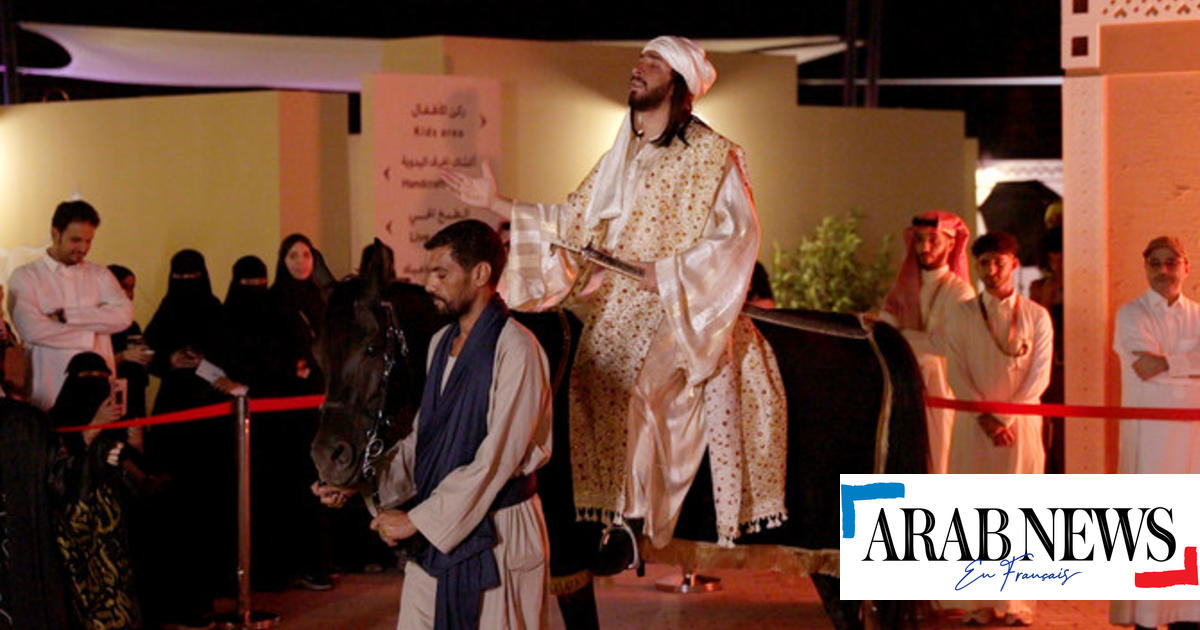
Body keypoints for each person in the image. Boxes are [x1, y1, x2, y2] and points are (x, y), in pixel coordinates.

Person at [441, 35, 787, 547]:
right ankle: (602, 512)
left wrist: (666, 274)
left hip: (683, 307)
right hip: (618, 305)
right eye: (639, 59)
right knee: (584, 377)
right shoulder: (621, 156)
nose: (638, 68)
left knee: (641, 384)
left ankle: (638, 517)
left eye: (653, 62)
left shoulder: (716, 155)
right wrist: (497, 202)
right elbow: (573, 221)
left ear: (680, 82)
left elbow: (737, 237)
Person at [318, 219, 553, 629]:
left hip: (500, 530)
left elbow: (495, 459)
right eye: (428, 272)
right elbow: (423, 442)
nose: (429, 284)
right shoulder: (439, 344)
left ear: (480, 274)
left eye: (441, 273)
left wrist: (417, 520)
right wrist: (360, 484)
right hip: (442, 529)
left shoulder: (517, 349)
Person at [943, 232, 1053, 626]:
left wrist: (1006, 419)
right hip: (974, 426)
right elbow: (954, 370)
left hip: (1020, 429)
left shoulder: (1038, 316)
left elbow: (1039, 378)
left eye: (999, 263)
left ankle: (1015, 605)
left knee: (1020, 512)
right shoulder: (961, 314)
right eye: (984, 263)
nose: (991, 271)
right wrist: (985, 418)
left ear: (1013, 265)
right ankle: (976, 602)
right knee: (974, 510)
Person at [141, 249, 240, 629]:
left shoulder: (216, 311)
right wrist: (170, 361)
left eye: (191, 277)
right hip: (173, 421)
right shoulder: (166, 310)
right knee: (173, 505)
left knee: (208, 504)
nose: (185, 286)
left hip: (210, 422)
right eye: (179, 278)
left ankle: (208, 593)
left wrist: (200, 365)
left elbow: (231, 359)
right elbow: (149, 355)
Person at [1111, 236, 1200, 630]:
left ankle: (1187, 614)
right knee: (1151, 528)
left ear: (1186, 266)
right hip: (1150, 437)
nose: (1163, 271)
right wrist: (1189, 367)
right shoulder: (1130, 314)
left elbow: (1155, 367)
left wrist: (1166, 364)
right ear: (1145, 266)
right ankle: (1147, 616)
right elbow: (1143, 368)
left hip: (1193, 441)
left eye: (1171, 263)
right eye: (1155, 263)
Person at [7, 200, 133, 410]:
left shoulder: (100, 275)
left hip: (99, 395)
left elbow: (123, 316)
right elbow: (31, 329)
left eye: (88, 241)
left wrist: (69, 317)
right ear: (55, 234)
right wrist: (91, 335)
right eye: (76, 240)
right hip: (47, 393)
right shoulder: (26, 277)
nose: (83, 248)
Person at [47, 351, 141, 630]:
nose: (94, 384)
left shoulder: (118, 416)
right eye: (86, 379)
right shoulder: (54, 420)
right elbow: (60, 465)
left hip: (118, 526)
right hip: (79, 527)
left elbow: (140, 473)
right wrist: (94, 426)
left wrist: (135, 442)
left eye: (101, 378)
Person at [879, 210, 975, 474]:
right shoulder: (903, 287)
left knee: (938, 463)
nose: (924, 248)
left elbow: (948, 345)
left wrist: (903, 337)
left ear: (951, 243)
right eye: (919, 240)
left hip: (941, 391)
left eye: (933, 240)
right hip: (902, 389)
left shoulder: (960, 292)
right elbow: (885, 333)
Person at [269, 233, 336, 590]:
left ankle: (322, 559)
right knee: (298, 480)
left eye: (306, 254)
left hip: (318, 400)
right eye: (292, 255)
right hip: (286, 408)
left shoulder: (319, 298)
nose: (300, 261)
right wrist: (287, 368)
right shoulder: (275, 299)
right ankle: (300, 563)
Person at [1029, 227, 1065, 474]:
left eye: (1061, 255)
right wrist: (1050, 294)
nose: (1057, 261)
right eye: (1053, 257)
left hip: (1069, 364)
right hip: (1045, 362)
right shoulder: (1039, 286)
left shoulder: (1082, 284)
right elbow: (1034, 322)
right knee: (1045, 425)